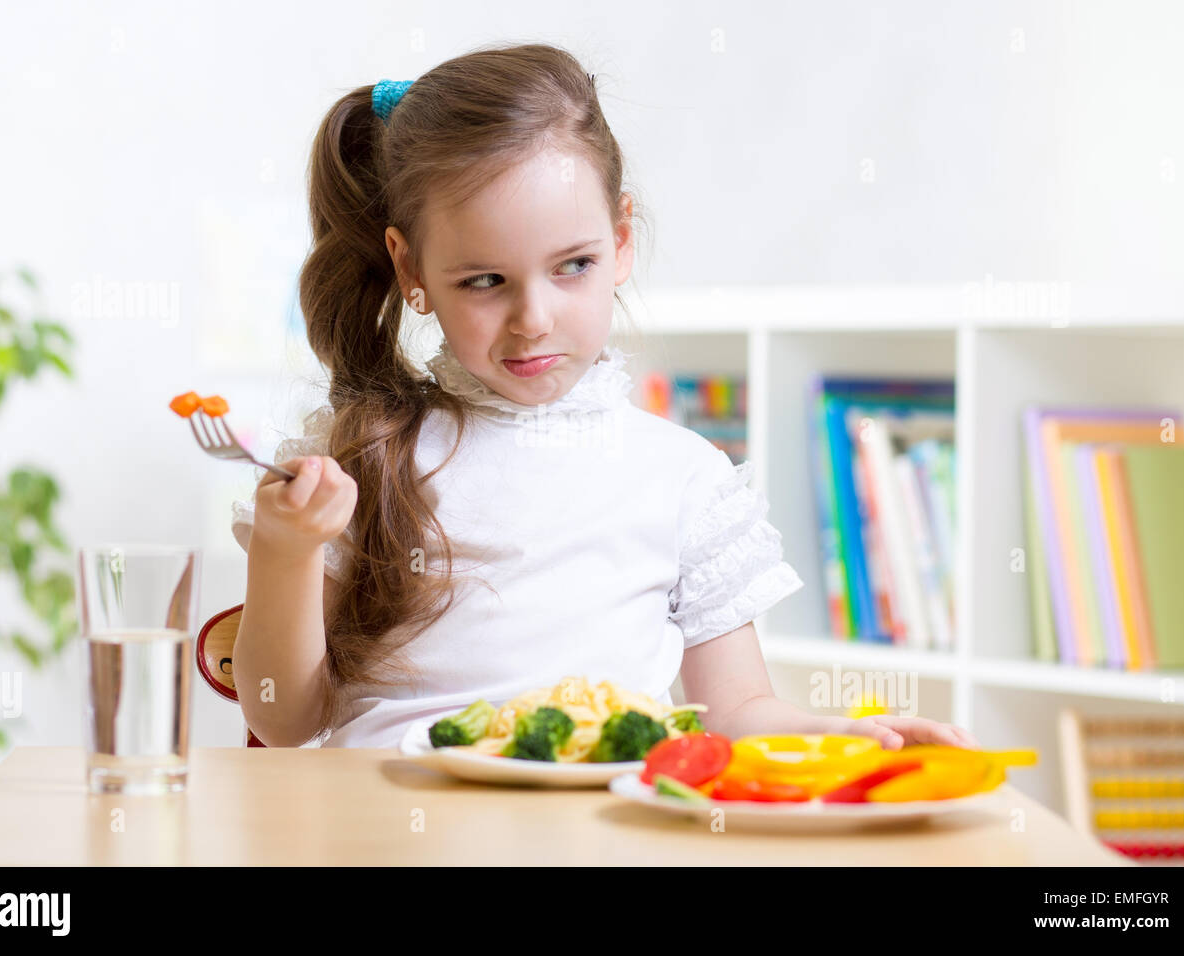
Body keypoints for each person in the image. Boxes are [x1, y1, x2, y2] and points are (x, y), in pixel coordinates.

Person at [230, 41, 979, 753]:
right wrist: (288, 550)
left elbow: (738, 712)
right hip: (387, 834)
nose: (534, 319)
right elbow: (287, 717)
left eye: (573, 266)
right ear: (410, 267)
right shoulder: (359, 458)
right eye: (485, 281)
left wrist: (844, 737)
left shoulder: (685, 478)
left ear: (621, 240)